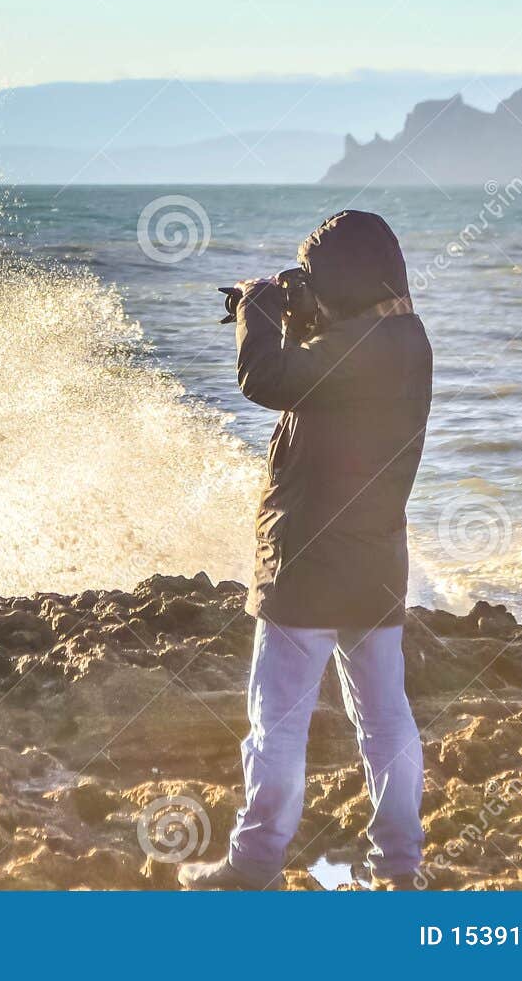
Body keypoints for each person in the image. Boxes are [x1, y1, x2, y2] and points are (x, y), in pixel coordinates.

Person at [179, 210, 433, 891]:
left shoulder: (361, 350)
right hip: (374, 566)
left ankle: (256, 862)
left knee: (277, 722)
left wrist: (261, 305)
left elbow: (265, 377)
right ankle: (399, 866)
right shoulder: (403, 340)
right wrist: (298, 312)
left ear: (343, 279)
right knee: (385, 721)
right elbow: (321, 382)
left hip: (306, 567)